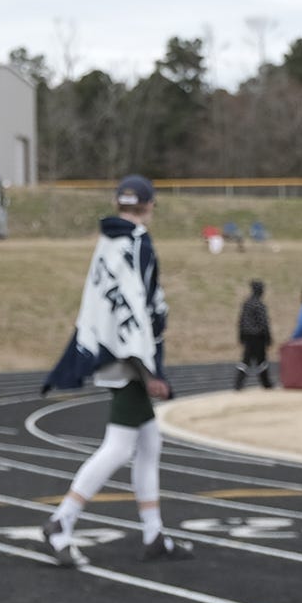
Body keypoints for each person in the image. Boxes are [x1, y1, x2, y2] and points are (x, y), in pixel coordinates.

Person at [39, 175, 192, 566]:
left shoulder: (108, 241)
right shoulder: (137, 242)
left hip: (113, 351)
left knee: (148, 443)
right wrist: (150, 368)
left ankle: (154, 532)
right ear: (149, 204)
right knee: (120, 446)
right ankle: (62, 520)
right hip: (129, 360)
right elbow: (140, 308)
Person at [235, 278, 275, 389]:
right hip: (258, 337)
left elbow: (241, 321)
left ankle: (238, 383)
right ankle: (266, 383)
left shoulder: (246, 304)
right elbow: (264, 323)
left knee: (246, 360)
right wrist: (268, 337)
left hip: (248, 336)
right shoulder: (260, 305)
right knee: (262, 361)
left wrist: (241, 335)